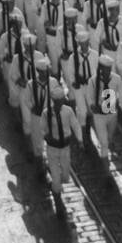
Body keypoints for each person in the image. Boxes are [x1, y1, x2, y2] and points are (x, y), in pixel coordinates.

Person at [43, 80, 78, 217]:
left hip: (65, 148)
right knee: (56, 178)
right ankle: (57, 199)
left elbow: (74, 125)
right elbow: (42, 129)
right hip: (53, 148)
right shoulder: (48, 113)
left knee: (65, 175)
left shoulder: (112, 80)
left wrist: (80, 139)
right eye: (56, 101)